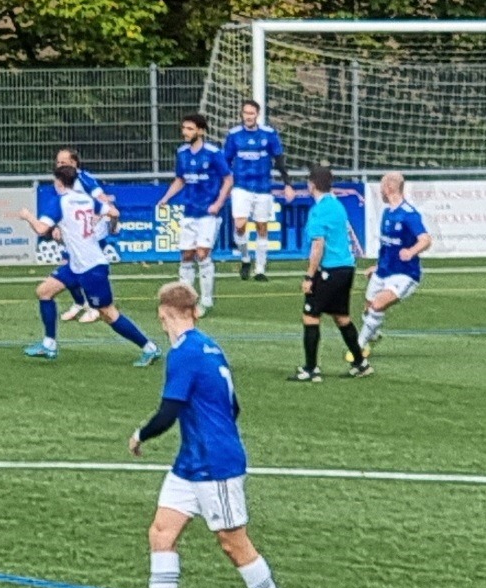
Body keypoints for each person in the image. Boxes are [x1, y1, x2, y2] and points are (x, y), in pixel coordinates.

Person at [114, 281, 296, 588]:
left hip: (215, 464)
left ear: (163, 315)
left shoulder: (184, 354)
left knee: (233, 543)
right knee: (162, 532)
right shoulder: (210, 347)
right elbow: (234, 406)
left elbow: (169, 411)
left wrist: (140, 435)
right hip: (191, 460)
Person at [18, 165, 162, 366]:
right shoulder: (86, 199)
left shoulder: (60, 201)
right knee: (44, 291)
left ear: (58, 182)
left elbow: (42, 229)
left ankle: (150, 348)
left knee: (108, 313)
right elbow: (113, 212)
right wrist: (110, 228)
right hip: (77, 265)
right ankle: (49, 344)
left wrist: (28, 217)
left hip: (91, 266)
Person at [290, 165, 370, 381]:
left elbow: (318, 245)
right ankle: (361, 363)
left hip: (330, 269)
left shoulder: (319, 210)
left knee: (310, 315)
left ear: (311, 184)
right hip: (346, 267)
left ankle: (310, 369)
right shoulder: (337, 205)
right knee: (341, 316)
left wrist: (309, 276)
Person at [156, 114, 232, 315]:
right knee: (187, 255)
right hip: (189, 210)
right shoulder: (182, 153)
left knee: (202, 253)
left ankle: (206, 301)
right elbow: (180, 180)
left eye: (189, 129)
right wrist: (166, 198)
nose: (185, 132)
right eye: (184, 128)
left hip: (208, 212)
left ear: (201, 131)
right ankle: (185, 299)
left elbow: (228, 179)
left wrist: (218, 203)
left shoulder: (213, 153)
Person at [354, 172, 431, 359]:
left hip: (404, 273)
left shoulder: (409, 214)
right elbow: (387, 245)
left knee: (378, 304)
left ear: (389, 187)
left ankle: (358, 348)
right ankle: (373, 334)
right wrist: (377, 266)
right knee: (368, 306)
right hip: (384, 269)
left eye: (382, 186)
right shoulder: (387, 212)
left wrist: (411, 252)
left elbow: (426, 239)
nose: (380, 190)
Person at [222, 101, 293, 281]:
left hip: (263, 187)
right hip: (241, 187)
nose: (248, 116)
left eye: (251, 113)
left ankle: (260, 269)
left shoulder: (269, 134)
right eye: (245, 113)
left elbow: (279, 159)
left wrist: (287, 184)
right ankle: (245, 258)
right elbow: (225, 162)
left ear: (257, 114)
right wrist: (224, 185)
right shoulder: (234, 135)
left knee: (262, 227)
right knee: (239, 226)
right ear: (241, 114)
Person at [55, 148, 115, 324]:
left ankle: (93, 306)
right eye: (57, 162)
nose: (59, 165)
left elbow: (102, 198)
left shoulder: (84, 178)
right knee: (69, 264)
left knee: (84, 266)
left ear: (74, 163)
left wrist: (96, 217)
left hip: (91, 230)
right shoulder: (61, 180)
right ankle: (80, 302)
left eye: (63, 162)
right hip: (75, 231)